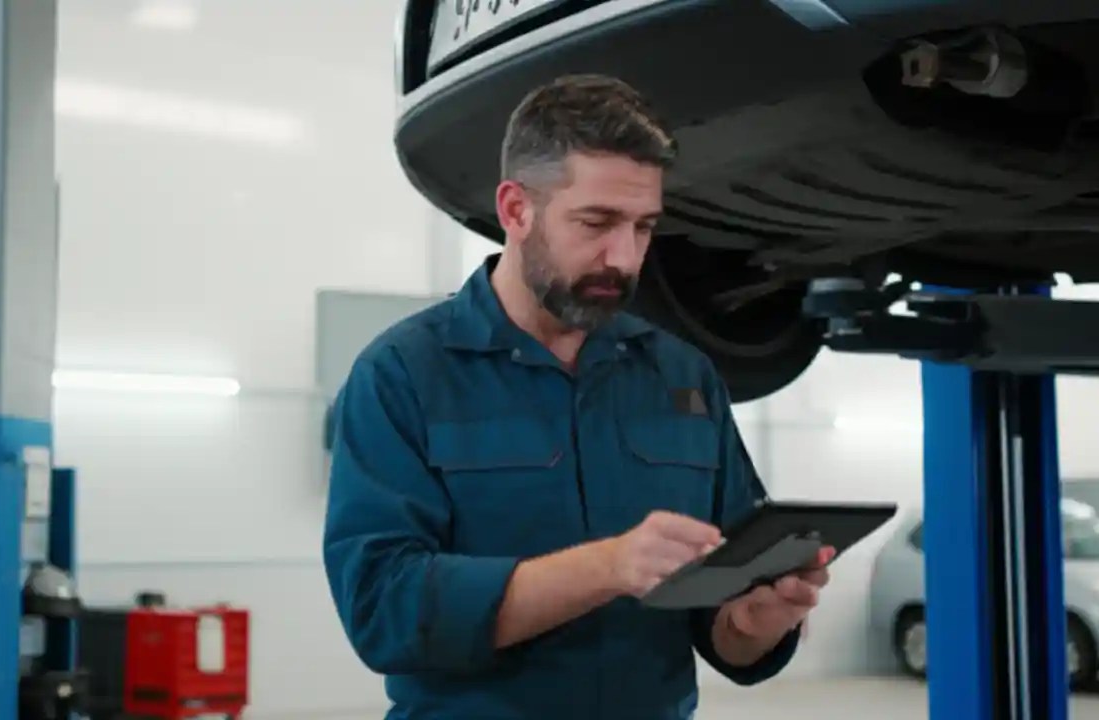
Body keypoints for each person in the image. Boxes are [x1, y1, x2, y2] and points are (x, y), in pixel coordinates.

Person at [323, 73, 833, 720]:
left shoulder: (683, 376)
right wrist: (608, 567)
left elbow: (722, 620)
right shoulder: (403, 374)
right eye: (597, 222)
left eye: (644, 227)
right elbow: (383, 610)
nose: (622, 257)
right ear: (515, 210)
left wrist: (756, 620)